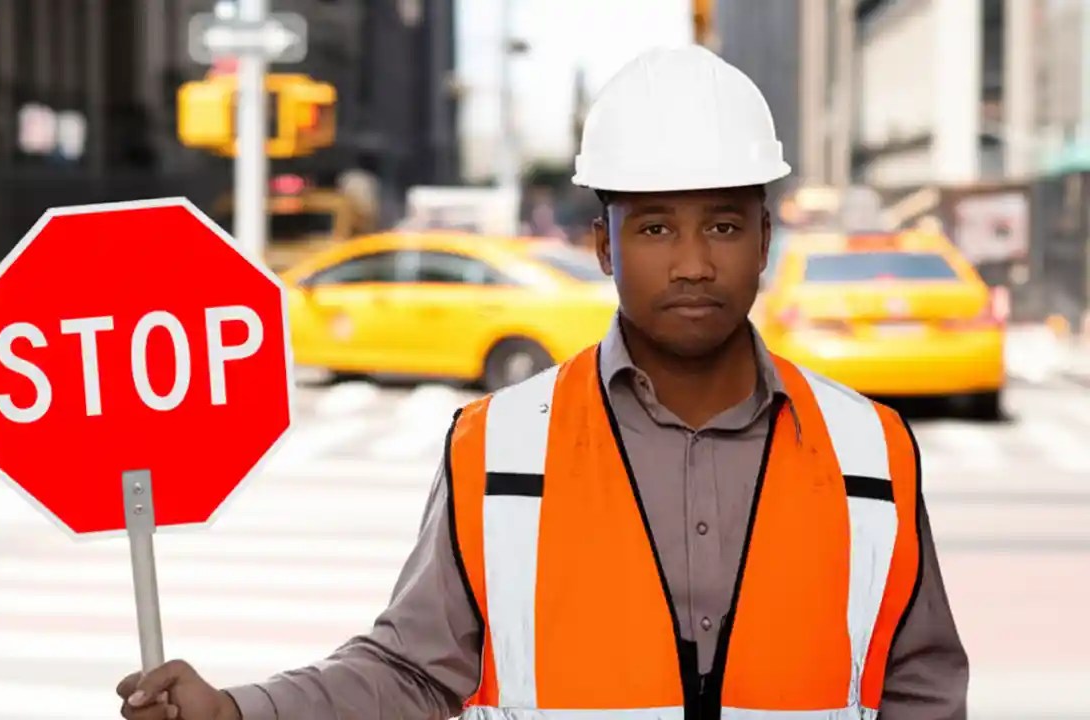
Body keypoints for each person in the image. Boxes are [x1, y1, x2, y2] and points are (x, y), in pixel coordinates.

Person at [116, 43, 968, 720]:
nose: (695, 262)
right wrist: (236, 712)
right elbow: (412, 673)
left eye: (722, 224)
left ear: (765, 237)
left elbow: (922, 691)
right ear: (603, 246)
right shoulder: (497, 448)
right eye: (656, 227)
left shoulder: (870, 452)